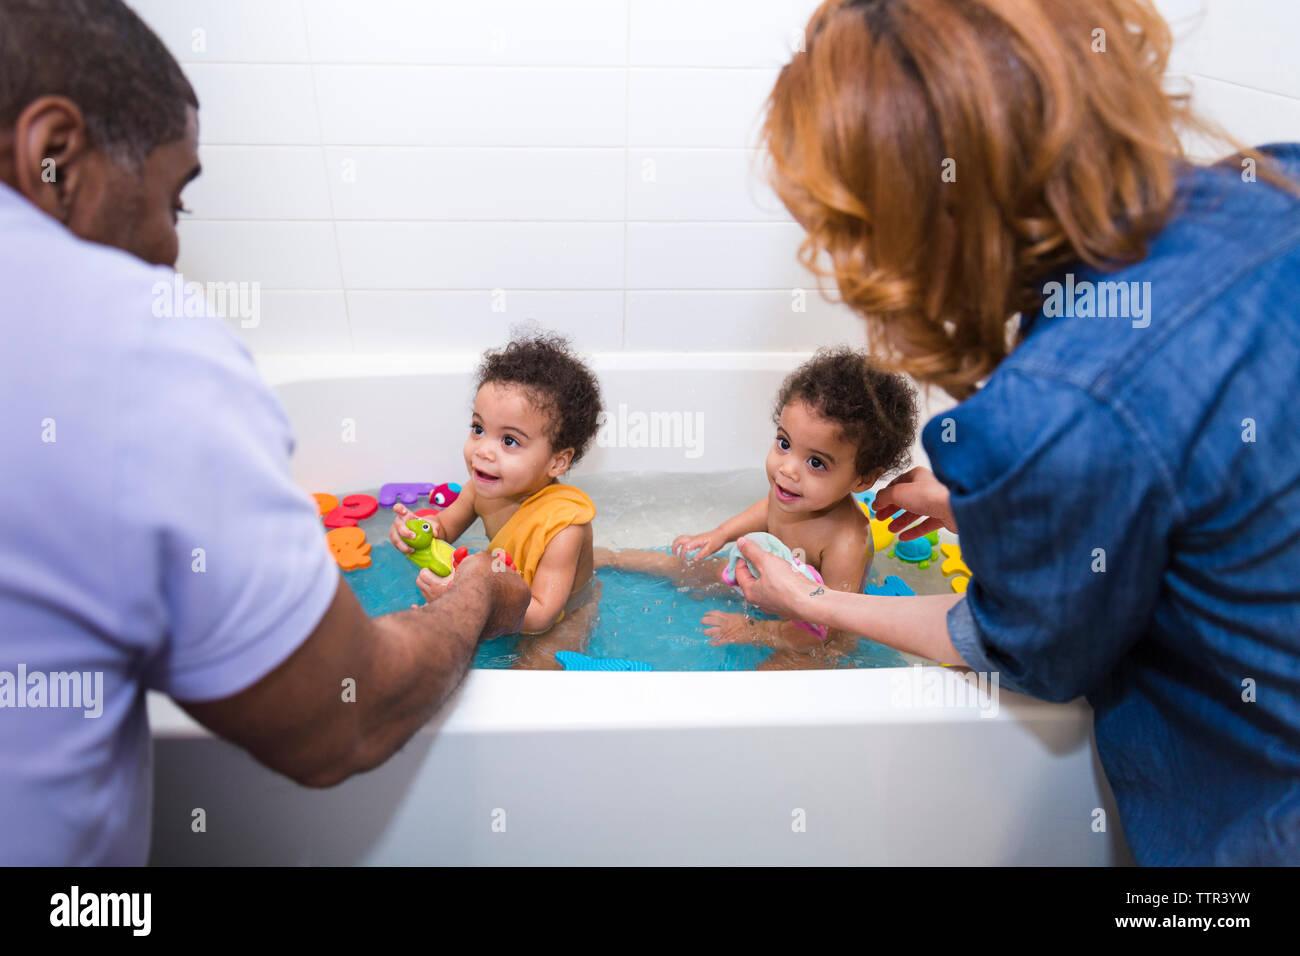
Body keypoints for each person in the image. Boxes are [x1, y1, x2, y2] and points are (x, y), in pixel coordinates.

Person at [732, 0, 1300, 864]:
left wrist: (810, 603)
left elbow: (1024, 648)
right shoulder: (1276, 186)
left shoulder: (1055, 407)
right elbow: (1211, 487)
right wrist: (992, 506)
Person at [0, 0, 529, 865]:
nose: (170, 248)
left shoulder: (563, 517)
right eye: (173, 200)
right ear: (53, 153)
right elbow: (343, 714)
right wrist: (478, 596)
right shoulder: (130, 337)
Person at [597, 347, 918, 668]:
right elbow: (767, 510)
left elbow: (830, 624)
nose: (787, 469)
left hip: (818, 624)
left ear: (863, 478)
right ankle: (614, 558)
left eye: (816, 462)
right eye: (784, 443)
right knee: (692, 568)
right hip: (770, 584)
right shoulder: (797, 491)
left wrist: (755, 630)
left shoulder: (845, 540)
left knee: (788, 667)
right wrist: (719, 535)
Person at [389, 332, 604, 667]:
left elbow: (542, 615)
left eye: (509, 441)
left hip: (563, 614)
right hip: (505, 593)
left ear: (557, 461)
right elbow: (443, 527)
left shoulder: (563, 529)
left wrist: (467, 601)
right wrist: (417, 530)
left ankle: (620, 561)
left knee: (531, 673)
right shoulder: (480, 490)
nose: (483, 451)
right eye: (478, 429)